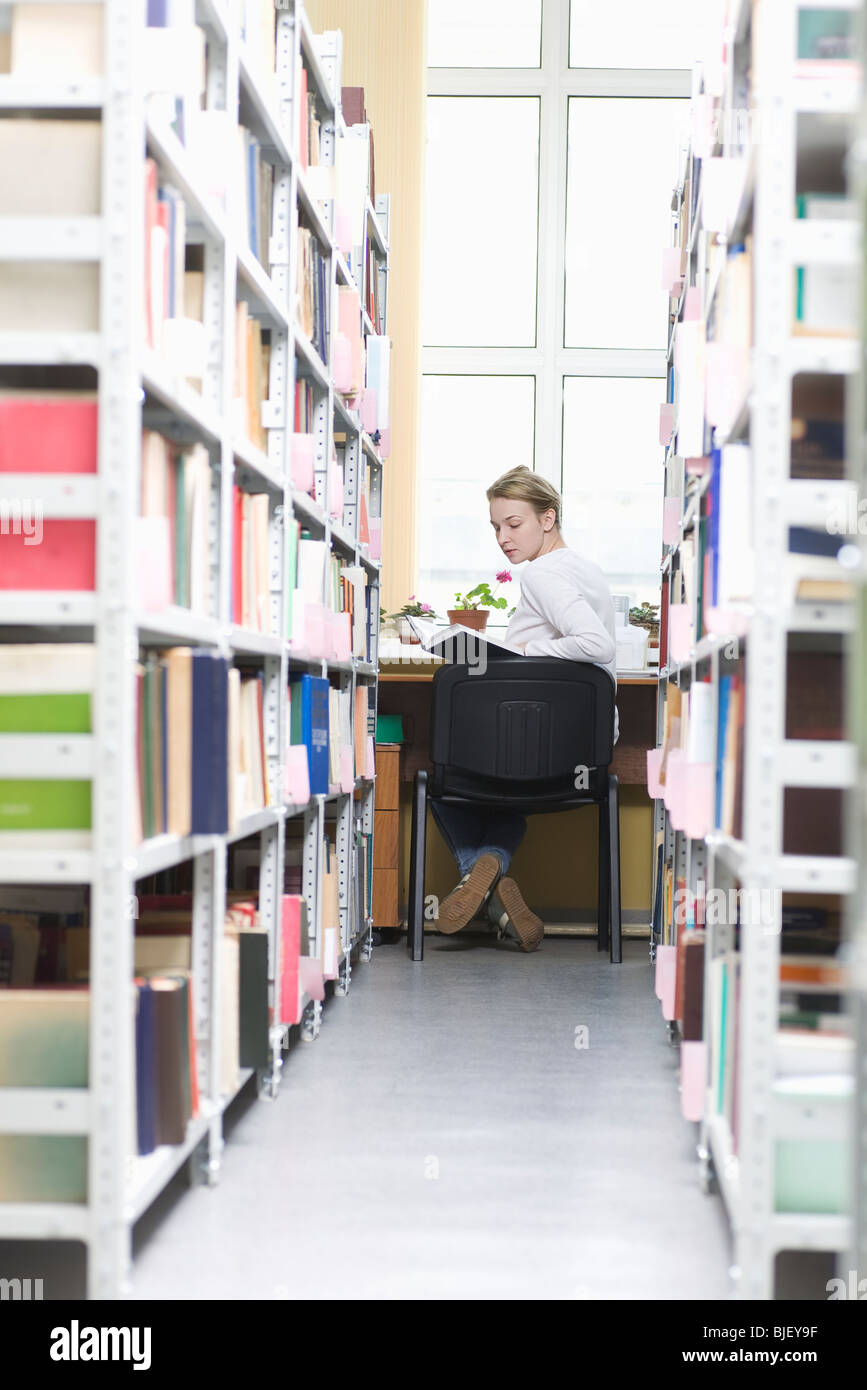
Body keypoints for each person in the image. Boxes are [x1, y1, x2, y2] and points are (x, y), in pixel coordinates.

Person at [430, 465, 618, 954]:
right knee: (506, 791)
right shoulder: (585, 568)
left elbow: (596, 644)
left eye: (514, 524)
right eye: (495, 527)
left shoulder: (542, 573)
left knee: (446, 776)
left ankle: (482, 872)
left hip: (530, 743)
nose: (503, 537)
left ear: (548, 518)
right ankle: (492, 889)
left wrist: (529, 654)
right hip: (577, 758)